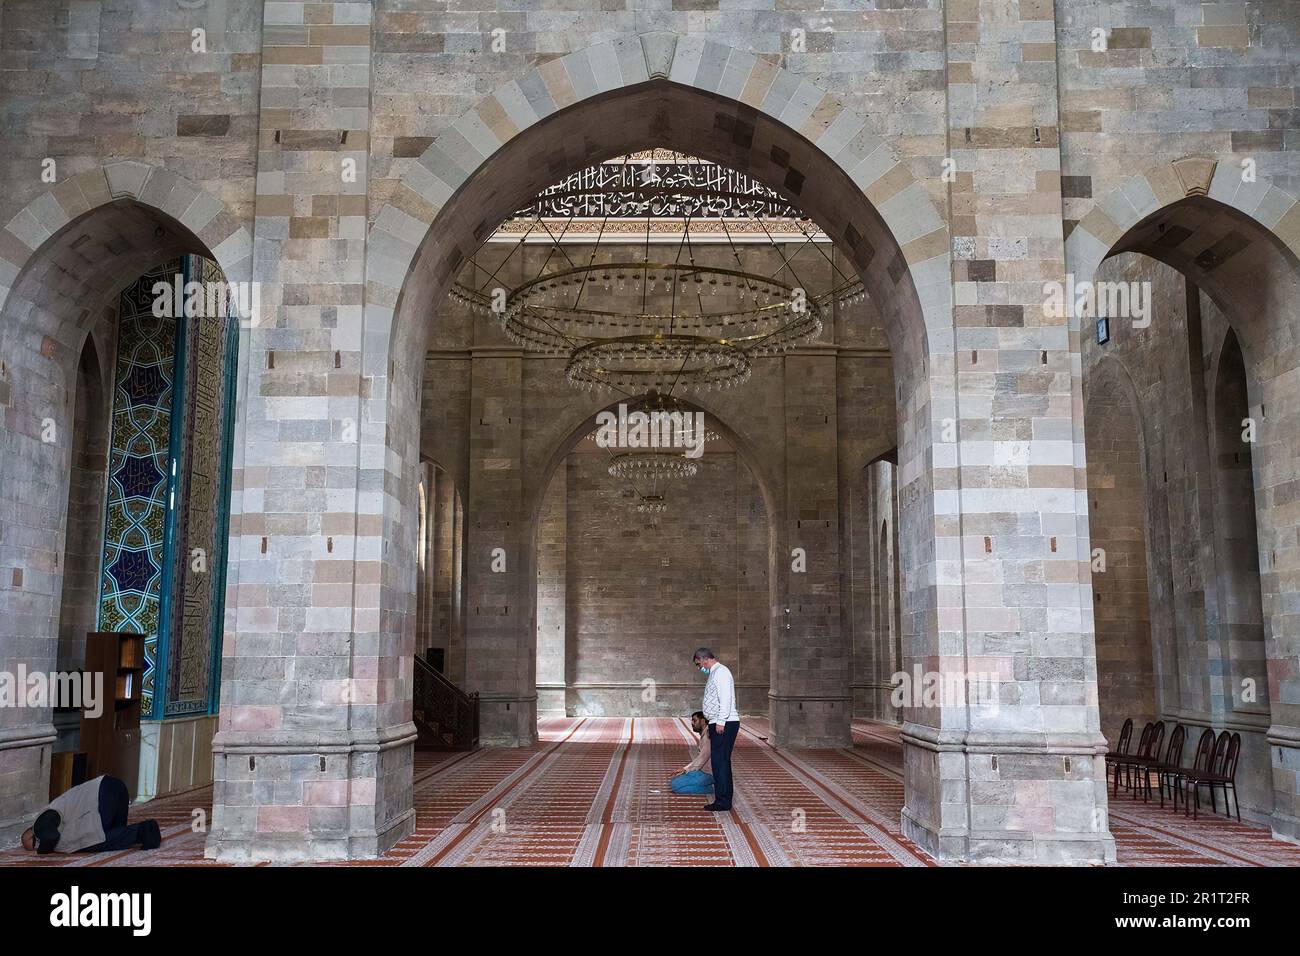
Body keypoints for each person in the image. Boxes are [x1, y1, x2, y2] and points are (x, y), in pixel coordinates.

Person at [19, 775, 161, 855]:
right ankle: (144, 832)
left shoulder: (41, 822)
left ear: (32, 833)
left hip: (101, 797)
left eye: (32, 843)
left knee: (94, 841)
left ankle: (145, 830)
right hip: (115, 788)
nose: (34, 846)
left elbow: (51, 836)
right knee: (112, 837)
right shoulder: (55, 809)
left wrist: (42, 851)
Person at [693, 647, 740, 811]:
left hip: (724, 723)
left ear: (705, 658)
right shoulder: (715, 672)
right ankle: (723, 798)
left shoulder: (721, 672)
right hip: (718, 722)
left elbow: (725, 698)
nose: (700, 668)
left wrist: (721, 721)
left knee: (720, 762)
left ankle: (723, 801)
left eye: (699, 664)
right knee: (720, 762)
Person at [669, 712, 714, 795]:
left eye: (694, 720)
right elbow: (700, 758)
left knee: (675, 785)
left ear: (703, 721)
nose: (692, 723)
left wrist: (685, 769)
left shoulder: (708, 735)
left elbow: (702, 758)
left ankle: (711, 789)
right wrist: (685, 769)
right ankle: (708, 786)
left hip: (709, 773)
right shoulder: (705, 734)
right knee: (674, 782)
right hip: (702, 771)